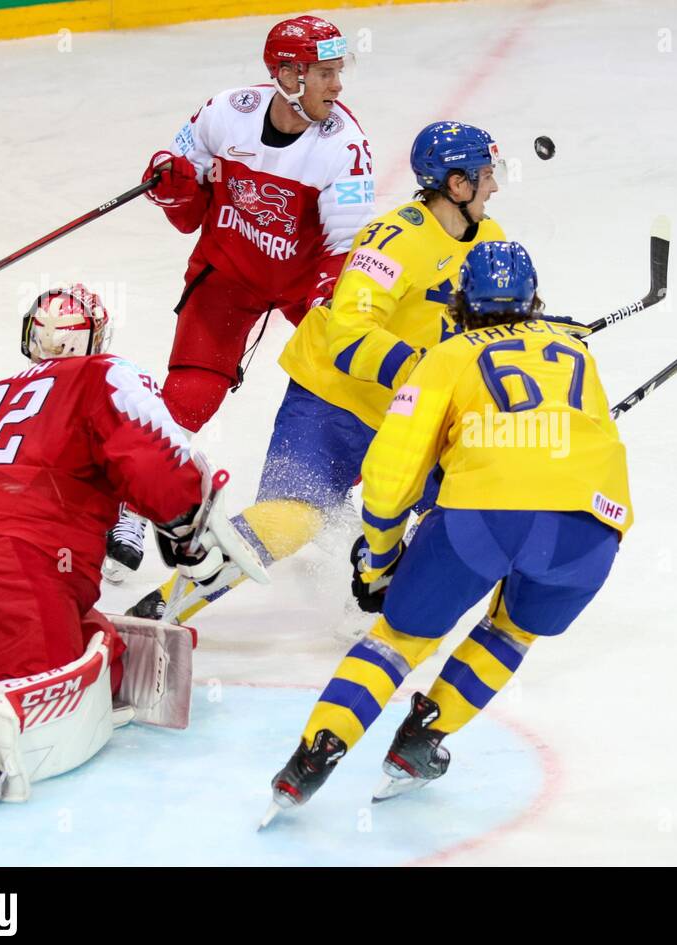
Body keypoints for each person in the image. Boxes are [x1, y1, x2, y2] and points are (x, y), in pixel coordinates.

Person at [258, 241, 632, 825]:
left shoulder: (445, 356)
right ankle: (419, 743)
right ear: (535, 301)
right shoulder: (576, 352)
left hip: (483, 516)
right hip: (589, 530)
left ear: (459, 302)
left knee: (396, 642)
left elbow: (389, 477)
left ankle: (313, 759)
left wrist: (379, 561)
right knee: (510, 633)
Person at [129, 121, 507, 624]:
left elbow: (493, 321)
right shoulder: (392, 242)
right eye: (486, 174)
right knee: (293, 517)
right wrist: (423, 369)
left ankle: (386, 589)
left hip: (412, 412)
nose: (495, 185)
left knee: (467, 510)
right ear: (457, 185)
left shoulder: (491, 239)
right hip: (335, 398)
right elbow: (348, 335)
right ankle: (155, 611)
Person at [0, 285, 266, 801]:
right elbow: (152, 455)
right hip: (22, 559)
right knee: (50, 693)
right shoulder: (105, 372)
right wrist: (188, 523)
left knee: (77, 641)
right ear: (94, 337)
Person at [105, 13, 375, 581]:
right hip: (229, 270)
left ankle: (326, 489)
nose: (338, 85)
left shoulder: (344, 147)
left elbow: (345, 249)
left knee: (349, 381)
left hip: (305, 284)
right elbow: (187, 210)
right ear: (288, 75)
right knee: (190, 395)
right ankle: (129, 506)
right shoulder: (224, 112)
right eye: (325, 73)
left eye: (336, 72)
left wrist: (331, 306)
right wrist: (174, 185)